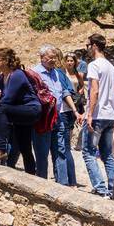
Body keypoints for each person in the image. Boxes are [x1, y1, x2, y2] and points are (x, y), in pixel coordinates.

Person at [77, 34, 114, 196]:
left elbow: (94, 90)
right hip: (110, 115)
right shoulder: (111, 67)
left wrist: (89, 114)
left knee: (88, 153)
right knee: (107, 154)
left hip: (97, 116)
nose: (87, 49)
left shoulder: (94, 65)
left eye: (88, 46)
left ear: (94, 46)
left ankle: (100, 188)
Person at [0, 47, 41, 173]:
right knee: (24, 146)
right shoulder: (1, 78)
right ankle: (31, 173)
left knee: (1, 109)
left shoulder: (17, 75)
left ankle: (1, 149)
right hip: (18, 110)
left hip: (31, 109)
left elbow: (7, 100)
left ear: (6, 61)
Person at [31, 45, 78, 184]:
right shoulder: (34, 73)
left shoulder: (57, 73)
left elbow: (63, 92)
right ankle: (41, 183)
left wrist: (75, 110)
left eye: (54, 57)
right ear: (42, 57)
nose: (53, 60)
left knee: (60, 151)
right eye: (50, 57)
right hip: (43, 119)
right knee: (42, 153)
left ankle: (62, 184)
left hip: (58, 117)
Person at [61, 54, 85, 186]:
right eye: (68, 61)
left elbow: (82, 87)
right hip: (65, 106)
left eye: (72, 61)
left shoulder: (78, 75)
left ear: (75, 63)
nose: (70, 63)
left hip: (74, 106)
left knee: (68, 134)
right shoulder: (62, 74)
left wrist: (80, 92)